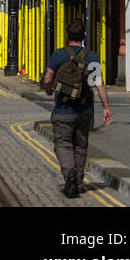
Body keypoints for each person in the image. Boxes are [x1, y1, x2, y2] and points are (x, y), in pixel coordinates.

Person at [42, 18, 112, 198]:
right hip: (85, 111)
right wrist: (106, 108)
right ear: (84, 37)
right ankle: (79, 182)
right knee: (81, 146)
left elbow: (48, 78)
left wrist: (49, 90)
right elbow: (99, 83)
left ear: (66, 35)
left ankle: (69, 175)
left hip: (63, 110)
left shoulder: (58, 55)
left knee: (63, 144)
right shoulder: (92, 56)